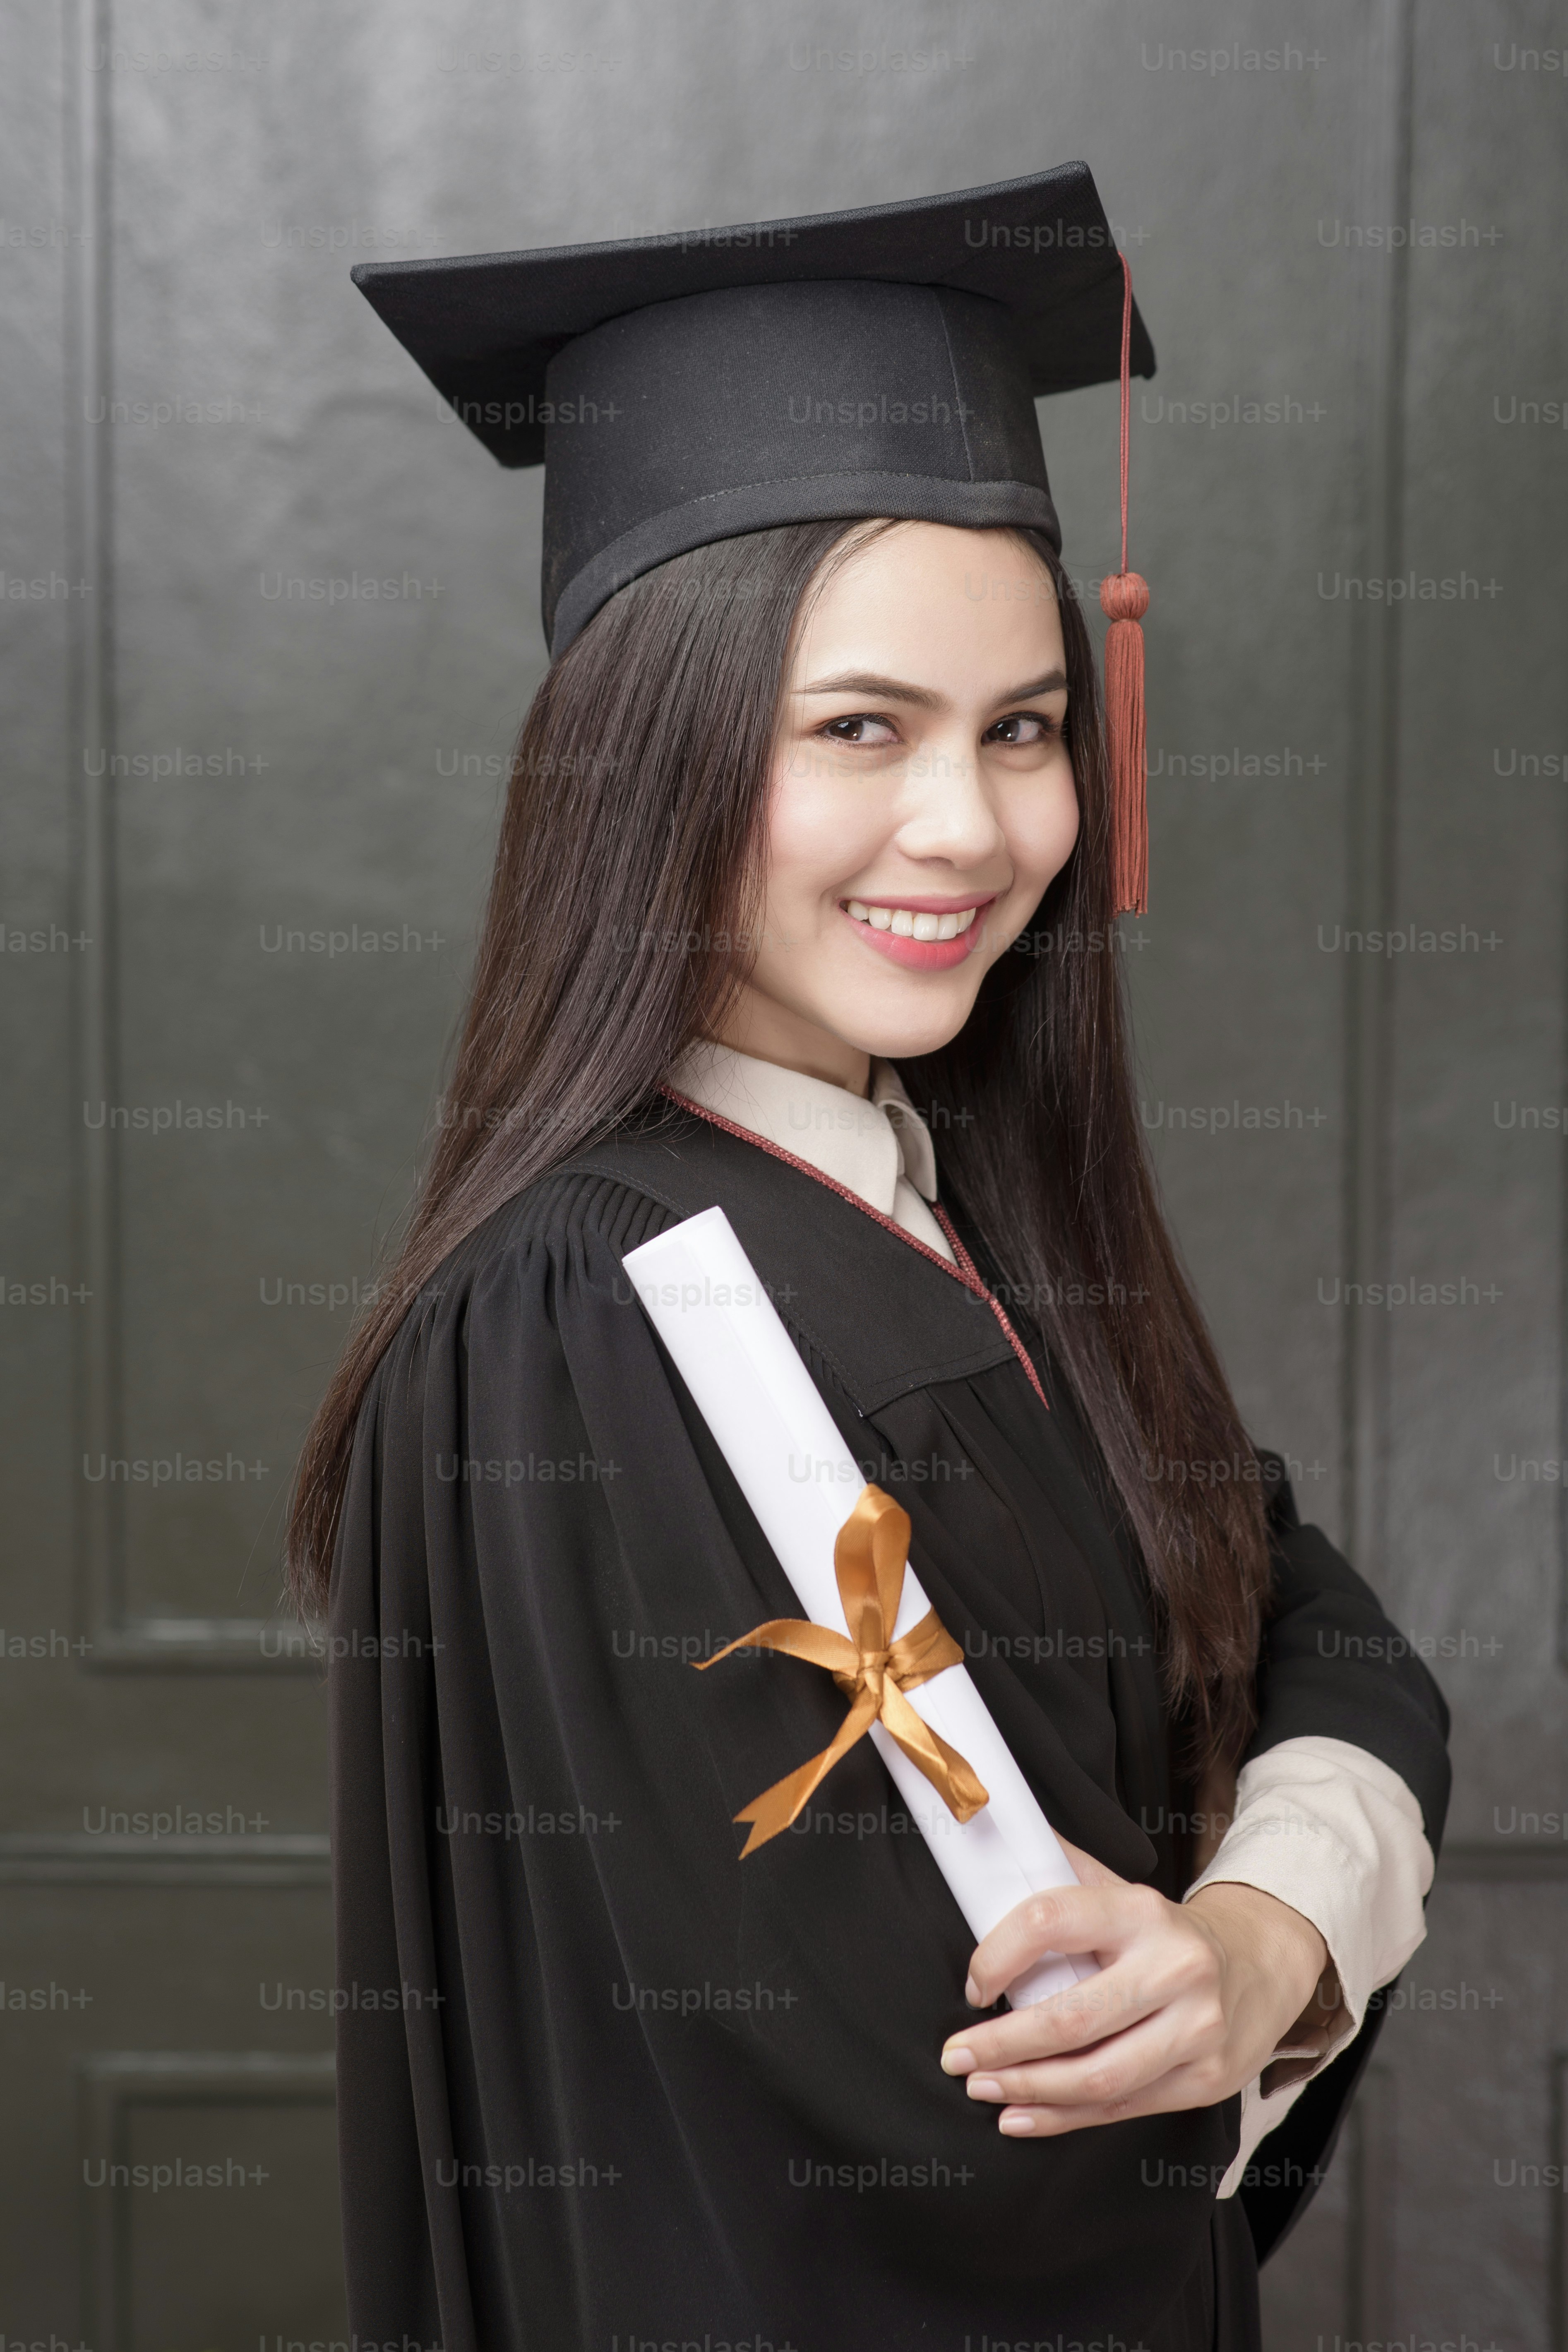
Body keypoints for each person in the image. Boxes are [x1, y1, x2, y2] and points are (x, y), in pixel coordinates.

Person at [291, 165, 1449, 2352]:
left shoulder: (973, 1228)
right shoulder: (593, 1325)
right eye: (860, 727)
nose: (973, 826)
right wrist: (1229, 1968)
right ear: (653, 754)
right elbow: (898, 2119)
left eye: (1023, 727)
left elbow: (1322, 1630)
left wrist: (1265, 1939)